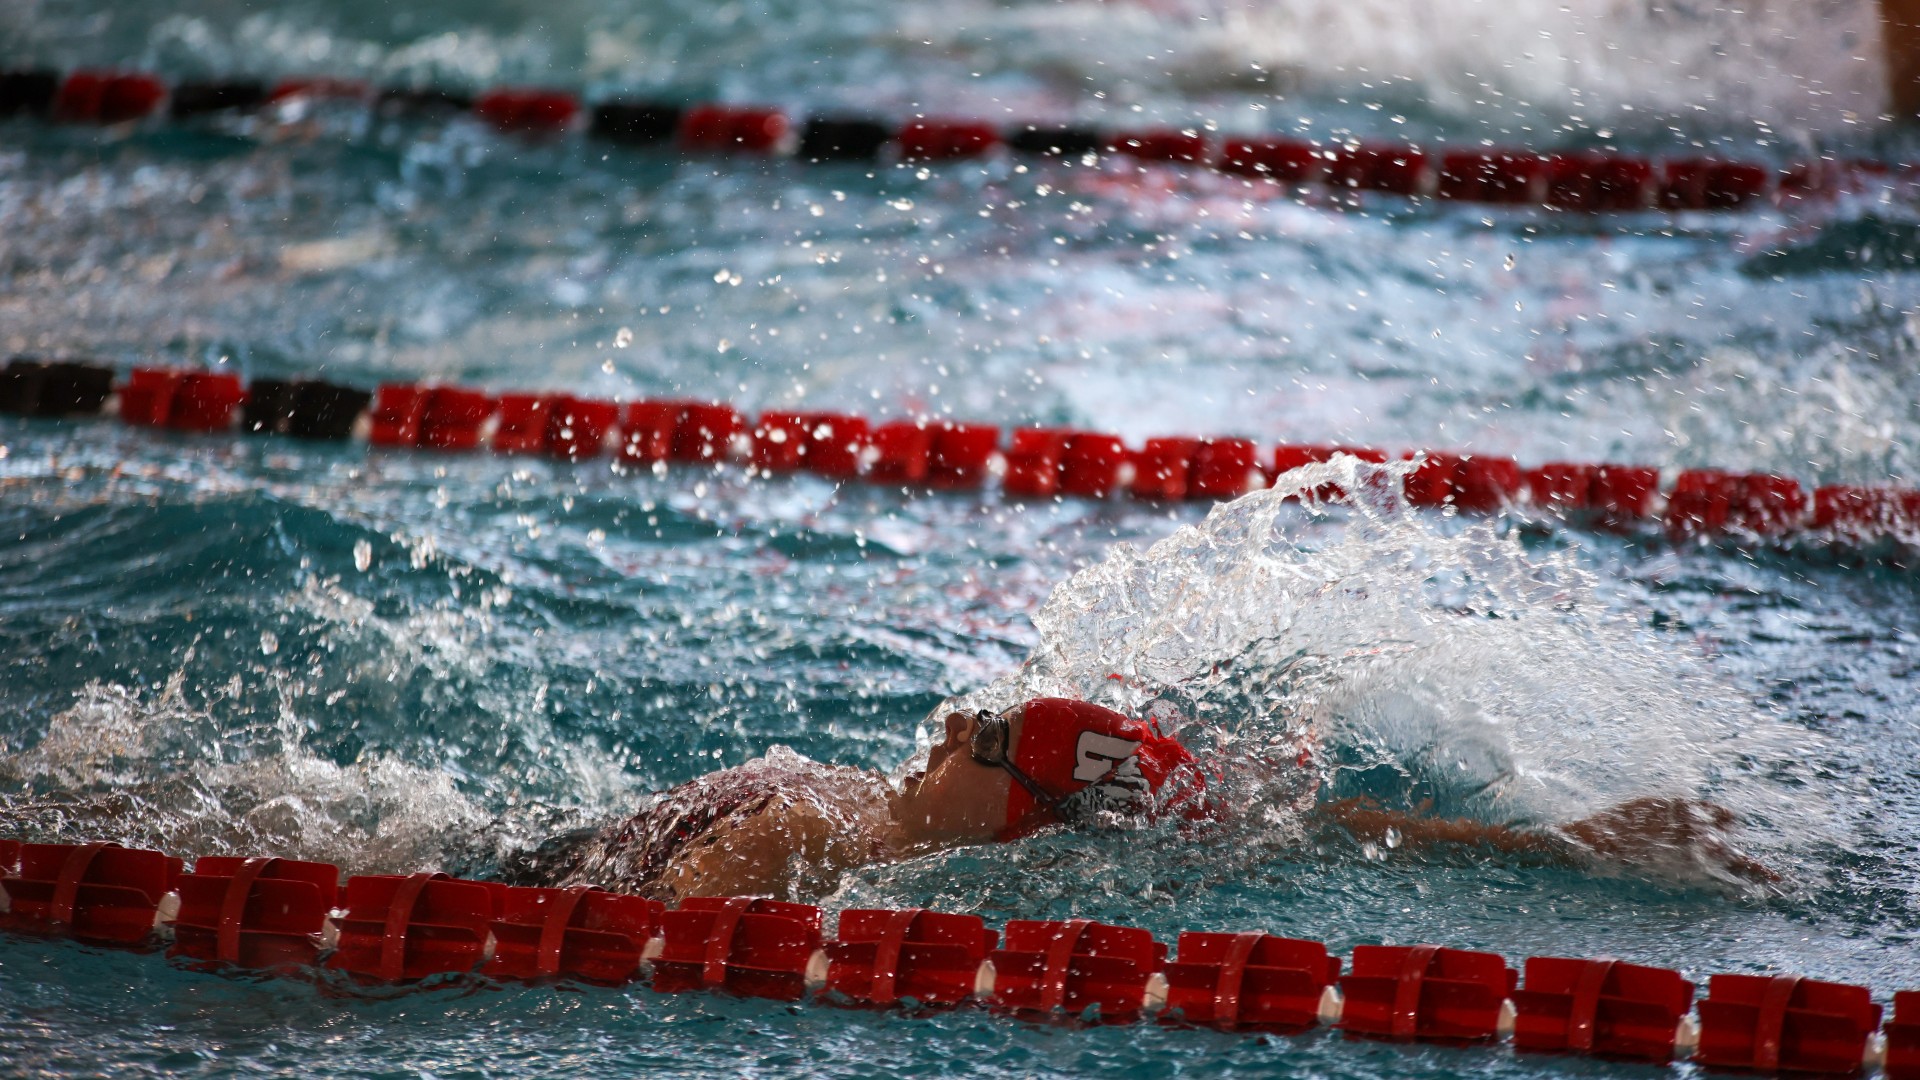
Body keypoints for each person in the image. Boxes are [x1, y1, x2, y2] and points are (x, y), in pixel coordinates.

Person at [507, 697, 1770, 902]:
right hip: (507, 858)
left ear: (1023, 811)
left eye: (990, 734)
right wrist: (1547, 839)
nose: (952, 724)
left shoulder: (832, 841)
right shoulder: (849, 828)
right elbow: (1298, 825)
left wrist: (1563, 850)